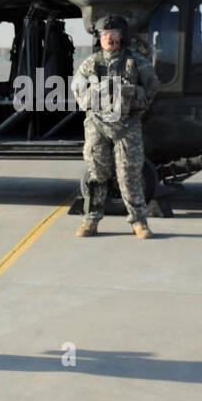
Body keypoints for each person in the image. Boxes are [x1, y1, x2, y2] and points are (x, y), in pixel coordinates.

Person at [71, 15, 161, 238]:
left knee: (129, 174)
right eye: (105, 35)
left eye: (114, 35)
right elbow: (78, 90)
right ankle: (91, 220)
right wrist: (99, 92)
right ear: (99, 38)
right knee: (97, 174)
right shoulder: (91, 63)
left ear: (122, 37)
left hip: (127, 124)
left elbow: (152, 88)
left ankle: (139, 222)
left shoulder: (136, 61)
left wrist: (127, 92)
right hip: (97, 124)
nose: (109, 39)